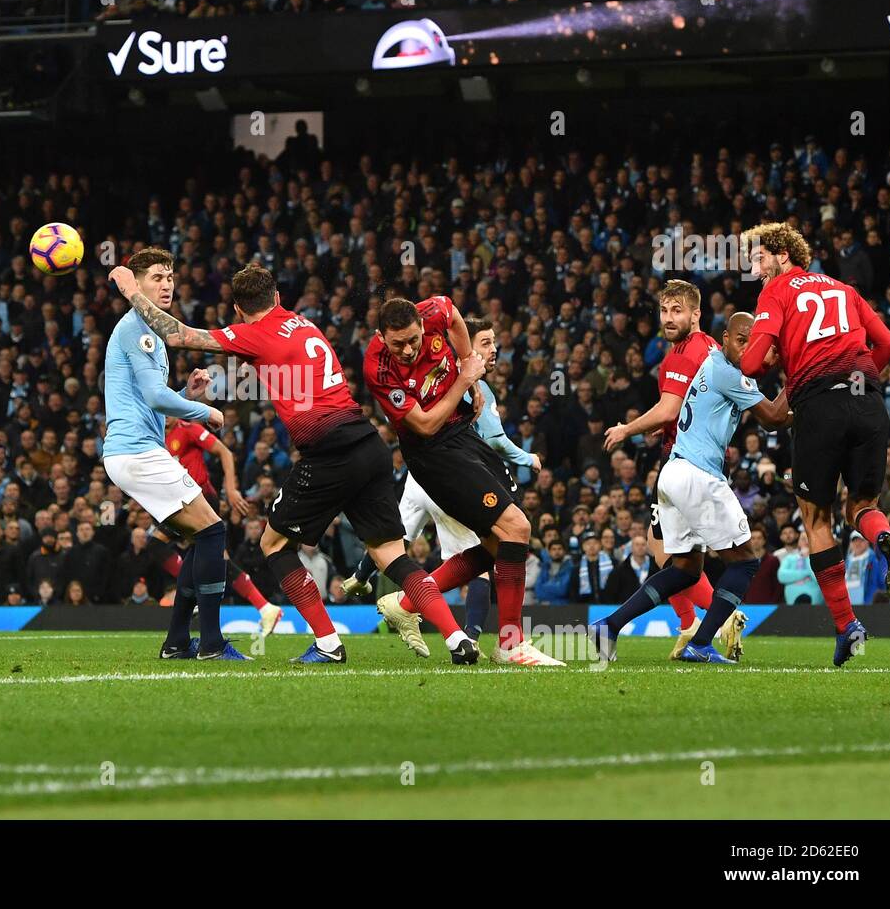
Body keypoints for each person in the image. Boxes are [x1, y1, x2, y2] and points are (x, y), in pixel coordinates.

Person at [111, 262, 476, 664]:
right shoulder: (302, 323)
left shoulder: (252, 333)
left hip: (329, 452)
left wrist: (132, 291)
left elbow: (176, 334)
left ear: (237, 310)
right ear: (279, 298)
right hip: (369, 444)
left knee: (274, 544)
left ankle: (328, 643)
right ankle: (457, 637)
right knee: (389, 552)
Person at [363, 296, 563, 665]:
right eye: (397, 344)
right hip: (433, 453)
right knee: (517, 528)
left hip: (464, 435)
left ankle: (407, 602)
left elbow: (454, 315)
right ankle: (509, 644)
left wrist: (469, 368)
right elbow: (423, 424)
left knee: (496, 546)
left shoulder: (434, 311)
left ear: (422, 326)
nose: (407, 350)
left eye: (413, 340)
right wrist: (467, 380)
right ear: (381, 337)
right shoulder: (377, 368)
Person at [741, 222, 890, 665]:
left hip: (818, 407)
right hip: (867, 401)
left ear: (780, 254)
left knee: (816, 518)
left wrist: (750, 356)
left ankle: (847, 625)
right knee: (863, 506)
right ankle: (886, 538)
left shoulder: (776, 292)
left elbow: (754, 364)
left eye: (758, 259)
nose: (755, 270)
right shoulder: (844, 289)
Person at [591, 313, 791, 663]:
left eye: (753, 341)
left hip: (673, 473)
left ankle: (609, 624)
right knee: (744, 563)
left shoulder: (714, 363)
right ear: (724, 338)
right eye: (741, 339)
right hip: (698, 475)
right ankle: (701, 642)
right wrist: (800, 377)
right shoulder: (727, 372)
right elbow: (773, 418)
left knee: (685, 569)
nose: (747, 347)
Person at [101, 249, 245, 661]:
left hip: (133, 451)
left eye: (170, 277)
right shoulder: (138, 330)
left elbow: (150, 403)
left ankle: (178, 642)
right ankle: (213, 644)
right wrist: (207, 411)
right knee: (214, 531)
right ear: (138, 285)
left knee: (201, 538)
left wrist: (186, 395)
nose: (167, 285)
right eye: (157, 278)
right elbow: (152, 395)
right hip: (137, 452)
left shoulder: (149, 332)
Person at [602, 280, 724, 651]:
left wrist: (627, 429)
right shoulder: (709, 348)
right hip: (695, 456)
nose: (669, 319)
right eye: (665, 311)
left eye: (678, 311)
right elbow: (690, 407)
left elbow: (670, 407)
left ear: (696, 313)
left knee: (675, 559)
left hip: (686, 463)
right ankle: (692, 625)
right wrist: (665, 426)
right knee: (670, 553)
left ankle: (722, 617)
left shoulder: (683, 354)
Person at [158, 415, 282, 634]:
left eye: (169, 410)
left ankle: (201, 596)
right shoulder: (156, 437)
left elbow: (224, 452)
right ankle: (265, 607)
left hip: (201, 498)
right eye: (161, 410)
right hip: (180, 502)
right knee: (211, 558)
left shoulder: (189, 430)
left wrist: (232, 489)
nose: (166, 415)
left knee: (156, 546)